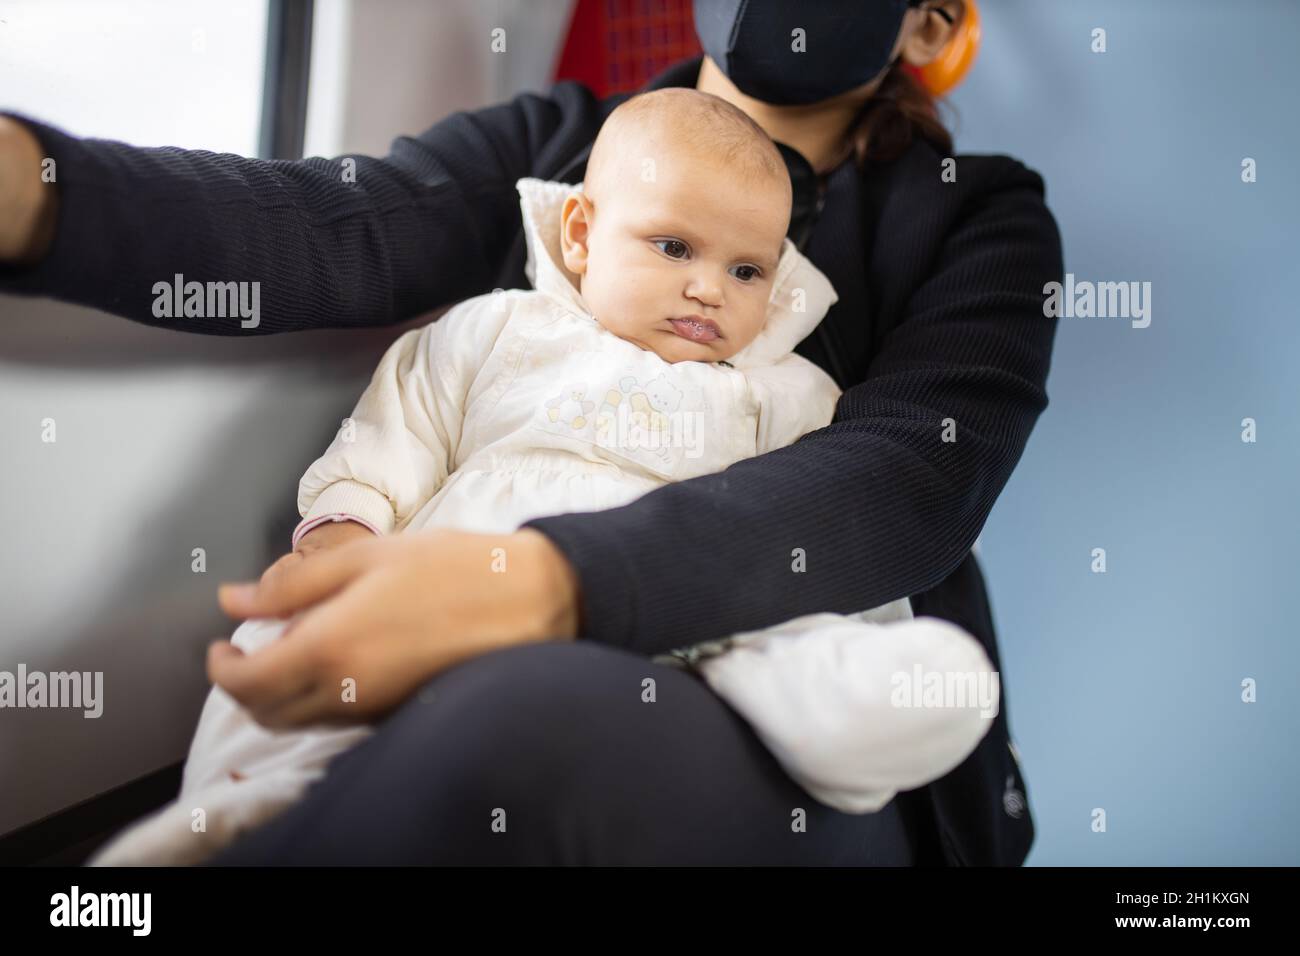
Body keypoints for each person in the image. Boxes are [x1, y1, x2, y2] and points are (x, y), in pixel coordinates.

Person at [0, 0, 1061, 865]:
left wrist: (546, 584)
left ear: (926, 29)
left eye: (743, 269)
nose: (708, 289)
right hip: (501, 617)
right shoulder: (562, 149)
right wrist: (40, 191)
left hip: (789, 687)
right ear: (584, 229)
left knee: (524, 724)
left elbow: (909, 480)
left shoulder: (980, 215)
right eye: (671, 245)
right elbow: (321, 224)